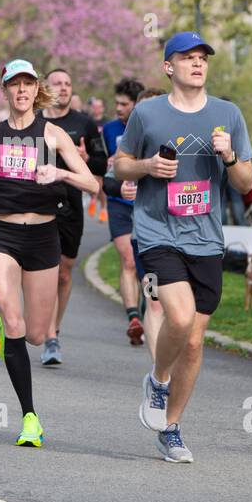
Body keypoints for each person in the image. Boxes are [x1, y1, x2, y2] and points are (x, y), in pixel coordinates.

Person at [113, 32, 252, 463]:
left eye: (202, 58)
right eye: (187, 57)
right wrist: (147, 167)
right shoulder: (147, 113)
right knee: (178, 314)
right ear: (168, 67)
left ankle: (171, 427)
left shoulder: (227, 115)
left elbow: (247, 184)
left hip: (207, 238)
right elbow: (121, 164)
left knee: (193, 342)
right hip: (157, 232)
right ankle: (158, 379)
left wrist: (230, 157)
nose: (197, 63)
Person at [0, 59, 99, 446]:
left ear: (37, 90)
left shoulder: (52, 135)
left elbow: (91, 183)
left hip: (44, 236)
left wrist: (61, 174)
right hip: (0, 233)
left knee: (35, 334)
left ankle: (9, 332)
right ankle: (30, 417)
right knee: (13, 322)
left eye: (28, 84)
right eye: (14, 84)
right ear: (4, 90)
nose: (21, 91)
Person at [39, 68, 108, 366]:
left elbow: (102, 166)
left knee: (65, 272)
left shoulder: (85, 124)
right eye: (58, 83)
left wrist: (86, 159)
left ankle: (54, 328)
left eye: (68, 83)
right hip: (38, 204)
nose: (64, 88)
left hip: (71, 205)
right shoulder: (34, 122)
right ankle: (47, 336)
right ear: (46, 88)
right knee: (47, 270)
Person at [103, 77, 148, 345]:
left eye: (124, 104)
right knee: (129, 260)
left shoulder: (151, 128)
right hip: (119, 203)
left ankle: (145, 312)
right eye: (116, 103)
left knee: (146, 267)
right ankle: (133, 317)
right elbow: (102, 169)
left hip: (146, 204)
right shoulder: (108, 129)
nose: (118, 108)